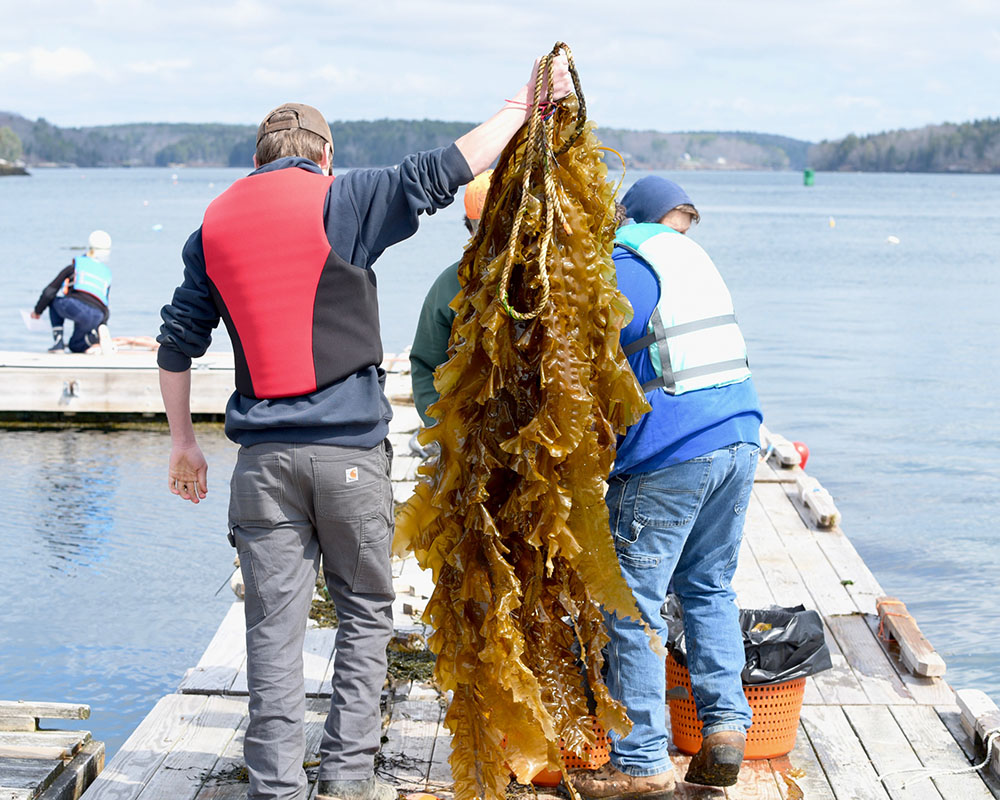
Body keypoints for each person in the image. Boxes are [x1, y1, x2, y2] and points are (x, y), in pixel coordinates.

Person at [156, 57, 571, 800]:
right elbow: (450, 166)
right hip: (348, 457)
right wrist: (526, 102)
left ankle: (275, 790)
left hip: (261, 467)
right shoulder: (342, 200)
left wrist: (184, 444)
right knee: (365, 617)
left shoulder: (211, 227)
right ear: (323, 157)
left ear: (256, 161)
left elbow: (176, 343)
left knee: (271, 637)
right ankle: (345, 785)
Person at [572, 176, 763, 799]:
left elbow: (581, 343)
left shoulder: (630, 261)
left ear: (625, 217)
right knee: (708, 586)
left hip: (673, 451)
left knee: (632, 604)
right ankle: (726, 731)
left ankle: (641, 760)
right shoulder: (695, 259)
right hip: (739, 437)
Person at [409, 168, 492, 427]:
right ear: (470, 230)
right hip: (467, 432)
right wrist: (442, 429)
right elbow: (426, 364)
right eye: (481, 230)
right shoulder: (450, 285)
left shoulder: (546, 279)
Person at [32, 230, 113, 353]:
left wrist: (38, 311)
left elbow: (49, 292)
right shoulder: (106, 273)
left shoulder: (75, 266)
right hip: (98, 315)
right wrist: (103, 324)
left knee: (53, 301)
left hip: (77, 308)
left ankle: (58, 343)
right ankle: (93, 338)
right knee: (75, 346)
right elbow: (105, 302)